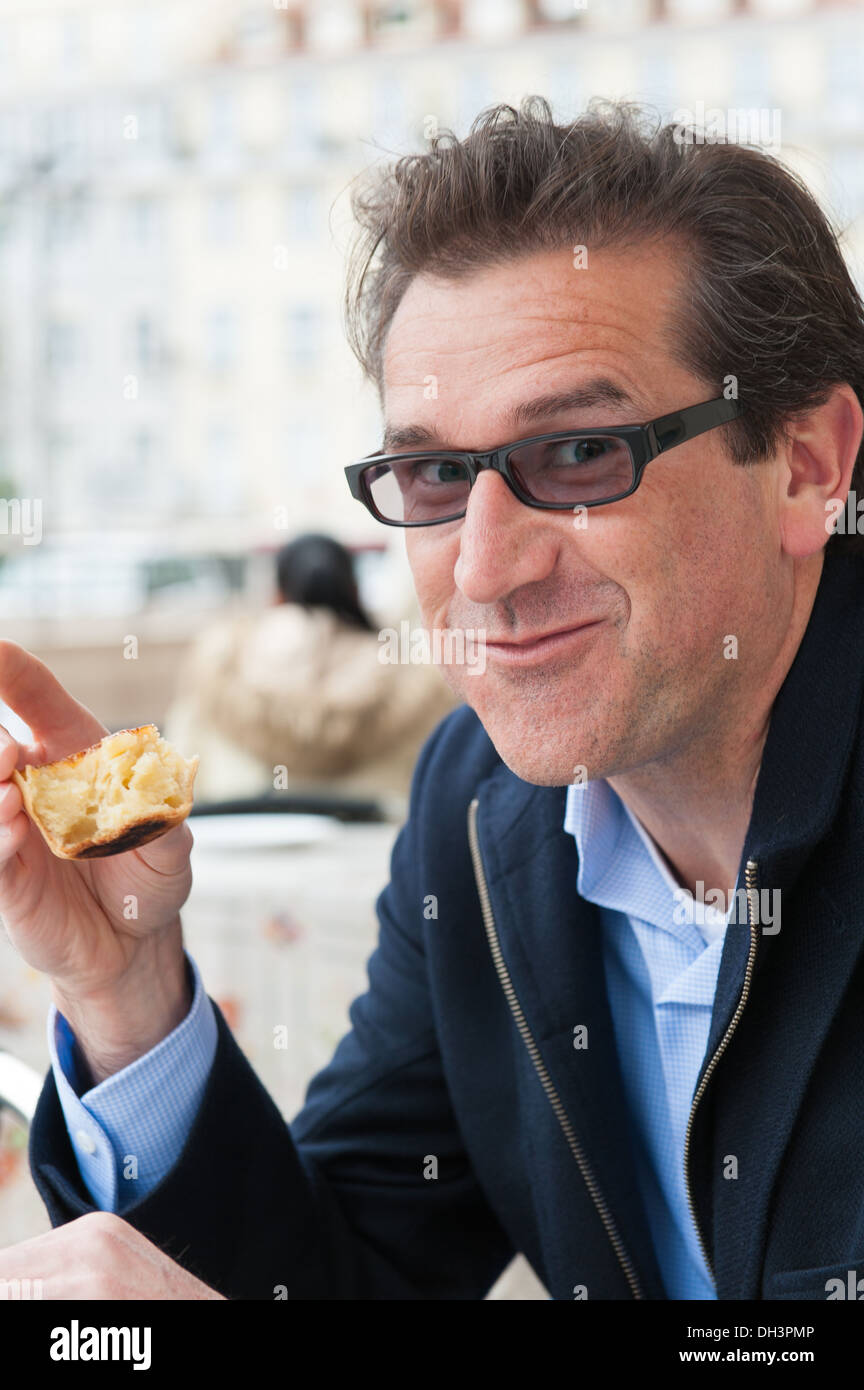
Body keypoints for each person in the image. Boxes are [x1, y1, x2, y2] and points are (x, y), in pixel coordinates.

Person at [1, 96, 864, 1301]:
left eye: (578, 453)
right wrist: (124, 991)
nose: (482, 567)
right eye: (436, 474)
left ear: (807, 467)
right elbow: (337, 1276)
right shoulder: (480, 807)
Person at [164, 533, 455, 806]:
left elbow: (179, 766)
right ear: (354, 590)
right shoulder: (411, 674)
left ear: (276, 593)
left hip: (239, 836)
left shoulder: (221, 663)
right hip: (374, 843)